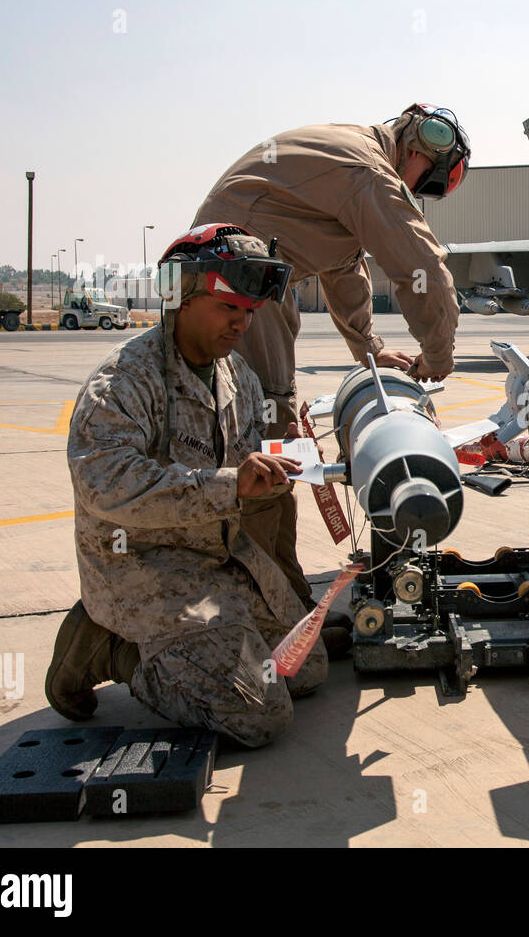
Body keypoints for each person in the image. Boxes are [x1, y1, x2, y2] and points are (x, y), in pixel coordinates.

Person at [45, 224, 327, 748]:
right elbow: (106, 487)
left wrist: (276, 458)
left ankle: (197, 639)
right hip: (142, 564)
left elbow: (237, 458)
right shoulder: (124, 382)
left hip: (218, 558)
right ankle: (110, 645)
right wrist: (229, 487)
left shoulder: (235, 375)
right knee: (258, 714)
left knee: (305, 670)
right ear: (179, 297)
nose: (242, 323)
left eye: (248, 312)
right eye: (229, 309)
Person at [193, 103, 469, 604]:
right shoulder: (368, 171)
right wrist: (438, 355)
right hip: (240, 288)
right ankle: (267, 605)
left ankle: (272, 590)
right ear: (419, 147)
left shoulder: (346, 160)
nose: (415, 196)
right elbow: (422, 267)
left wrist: (370, 350)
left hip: (233, 284)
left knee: (261, 435)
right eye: (423, 181)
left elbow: (343, 267)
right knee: (267, 442)